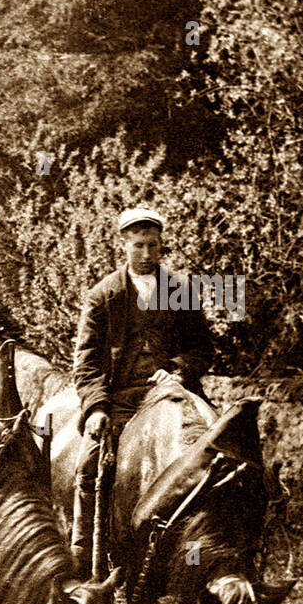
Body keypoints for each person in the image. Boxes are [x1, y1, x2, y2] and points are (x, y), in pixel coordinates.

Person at [70, 206, 215, 578]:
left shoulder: (180, 290)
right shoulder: (103, 296)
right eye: (138, 246)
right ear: (123, 245)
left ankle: (219, 554)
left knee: (221, 451)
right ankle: (85, 558)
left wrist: (179, 371)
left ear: (162, 244)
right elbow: (85, 362)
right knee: (90, 466)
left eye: (153, 246)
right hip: (121, 399)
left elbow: (203, 347)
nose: (147, 254)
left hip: (174, 391)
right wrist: (96, 407)